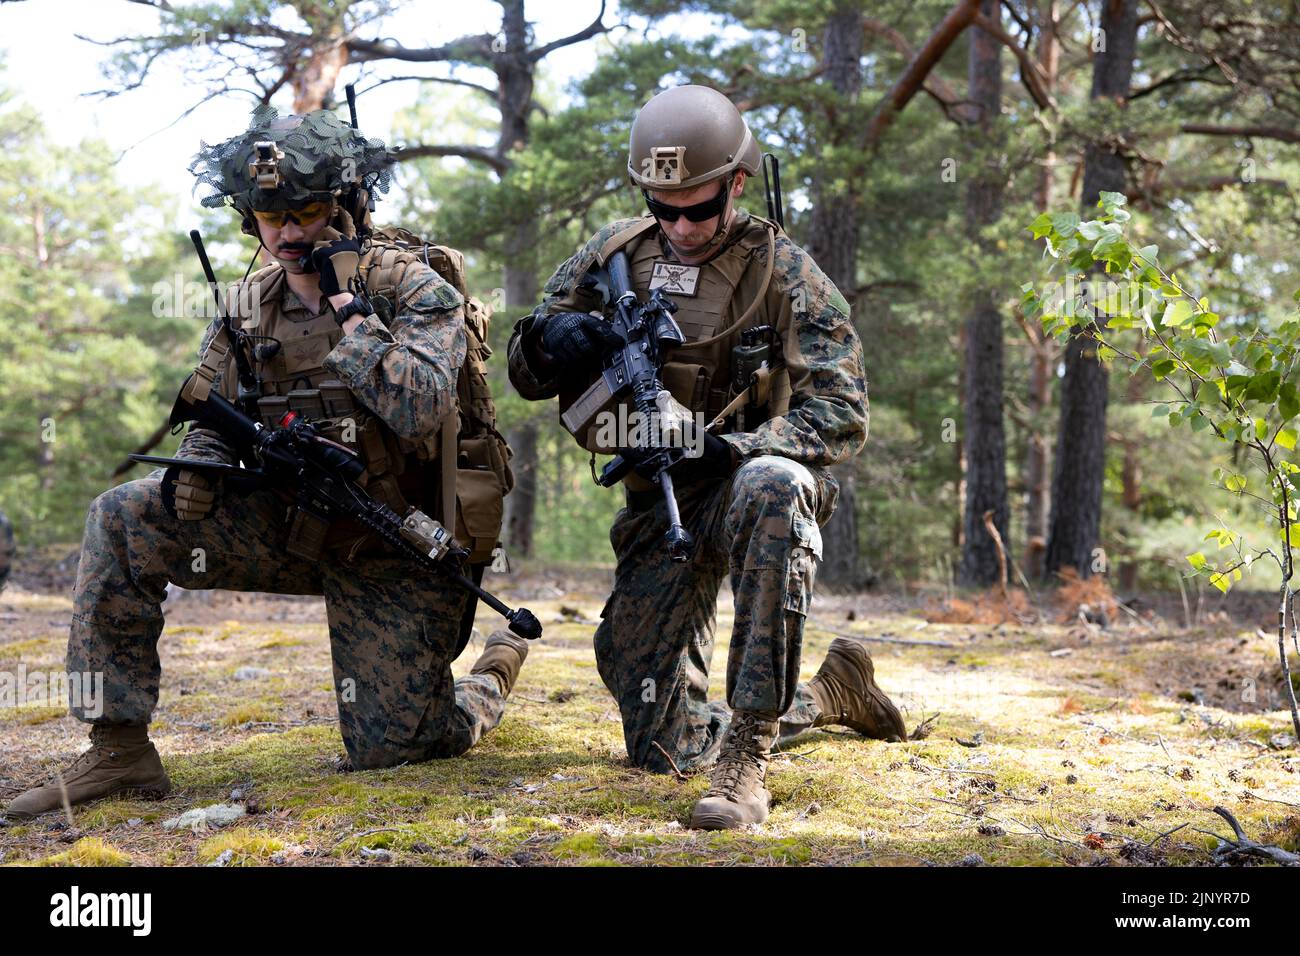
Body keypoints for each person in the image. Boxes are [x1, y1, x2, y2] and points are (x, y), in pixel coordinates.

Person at [6, 106, 527, 821]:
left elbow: (418, 407)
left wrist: (347, 309)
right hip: (289, 525)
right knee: (123, 516)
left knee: (390, 749)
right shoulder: (248, 305)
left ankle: (490, 678)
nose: (286, 232)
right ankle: (118, 747)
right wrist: (200, 464)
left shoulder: (414, 289)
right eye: (267, 215)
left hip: (399, 541)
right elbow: (208, 406)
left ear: (346, 207)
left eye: (306, 211)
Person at [507, 86, 907, 830]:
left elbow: (843, 413)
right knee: (661, 741)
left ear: (737, 183)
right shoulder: (613, 254)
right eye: (664, 209)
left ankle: (749, 756)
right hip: (662, 503)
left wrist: (734, 444)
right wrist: (542, 342)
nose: (681, 227)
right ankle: (829, 696)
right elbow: (526, 376)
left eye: (699, 207)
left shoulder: (783, 272)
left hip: (746, 486)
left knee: (775, 485)